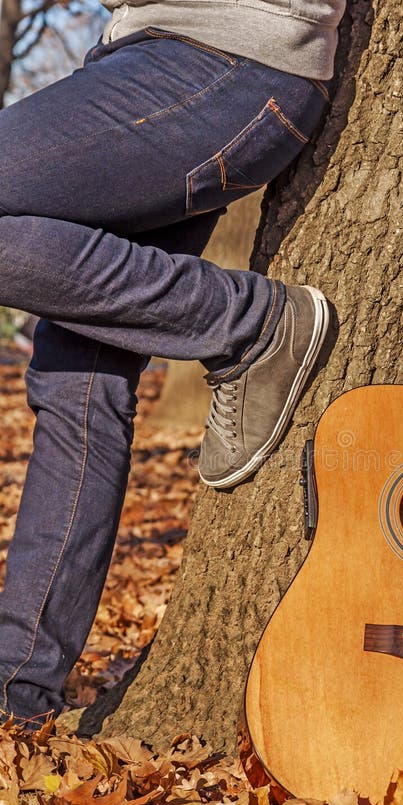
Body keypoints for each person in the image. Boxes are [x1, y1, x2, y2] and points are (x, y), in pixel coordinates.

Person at [0, 0, 346, 726]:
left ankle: (248, 322)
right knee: (75, 383)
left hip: (219, 63)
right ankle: (14, 697)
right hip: (173, 69)